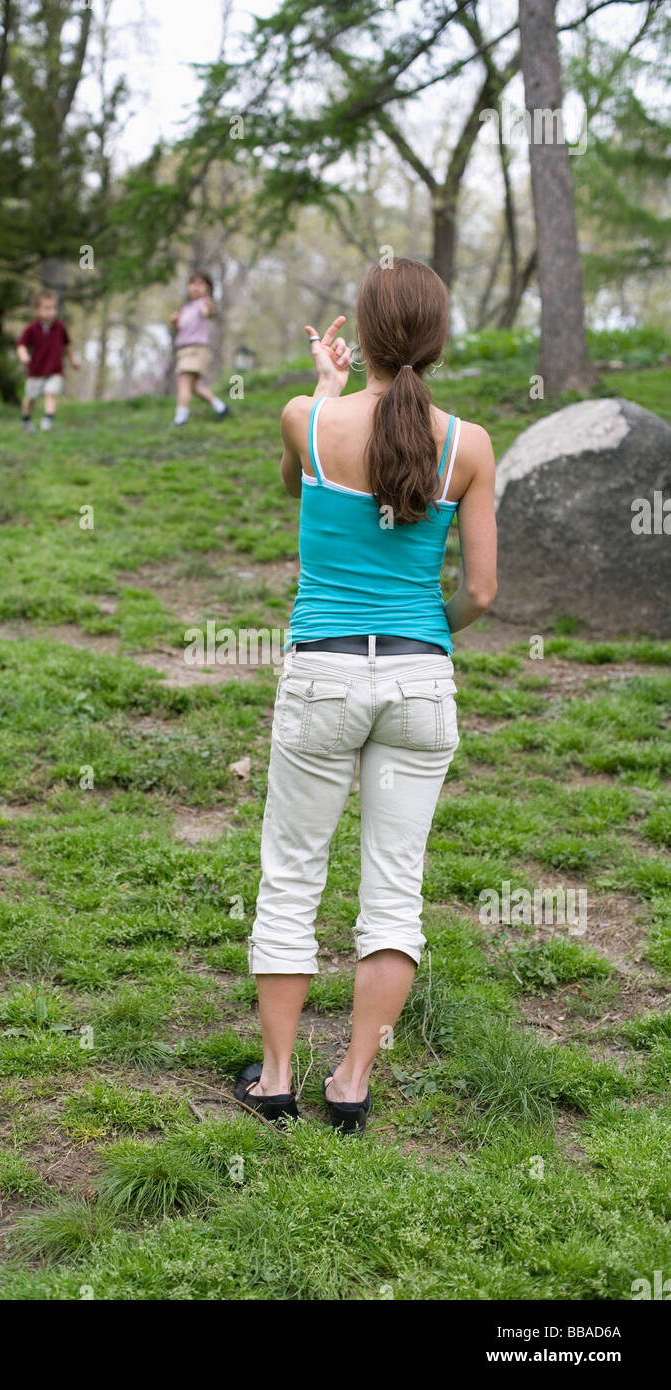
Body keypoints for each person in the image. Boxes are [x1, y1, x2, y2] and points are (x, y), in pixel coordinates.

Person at [235, 257, 498, 1135]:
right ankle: (350, 1083)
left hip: (324, 673)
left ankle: (275, 1080)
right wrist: (431, 633)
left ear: (364, 331)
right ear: (437, 338)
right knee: (394, 891)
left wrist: (323, 391)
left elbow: (291, 488)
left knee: (291, 875)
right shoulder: (469, 444)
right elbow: (484, 594)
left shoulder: (305, 422)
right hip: (420, 677)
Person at [169, 270, 230, 425]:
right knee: (194, 387)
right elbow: (180, 328)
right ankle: (221, 408)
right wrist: (174, 321)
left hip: (195, 349)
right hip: (184, 349)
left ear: (207, 287)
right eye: (193, 283)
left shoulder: (204, 303)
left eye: (200, 284)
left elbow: (207, 313)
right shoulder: (185, 307)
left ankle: (180, 420)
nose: (196, 287)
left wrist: (208, 307)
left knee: (183, 383)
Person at [16, 290, 81, 431]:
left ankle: (47, 419)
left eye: (53, 308)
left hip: (55, 369)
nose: (51, 312)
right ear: (37, 310)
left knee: (51, 392)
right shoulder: (32, 329)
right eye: (46, 308)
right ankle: (26, 419)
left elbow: (67, 344)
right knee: (31, 398)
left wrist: (73, 360)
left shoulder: (60, 326)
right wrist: (24, 355)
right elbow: (21, 344)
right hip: (36, 371)